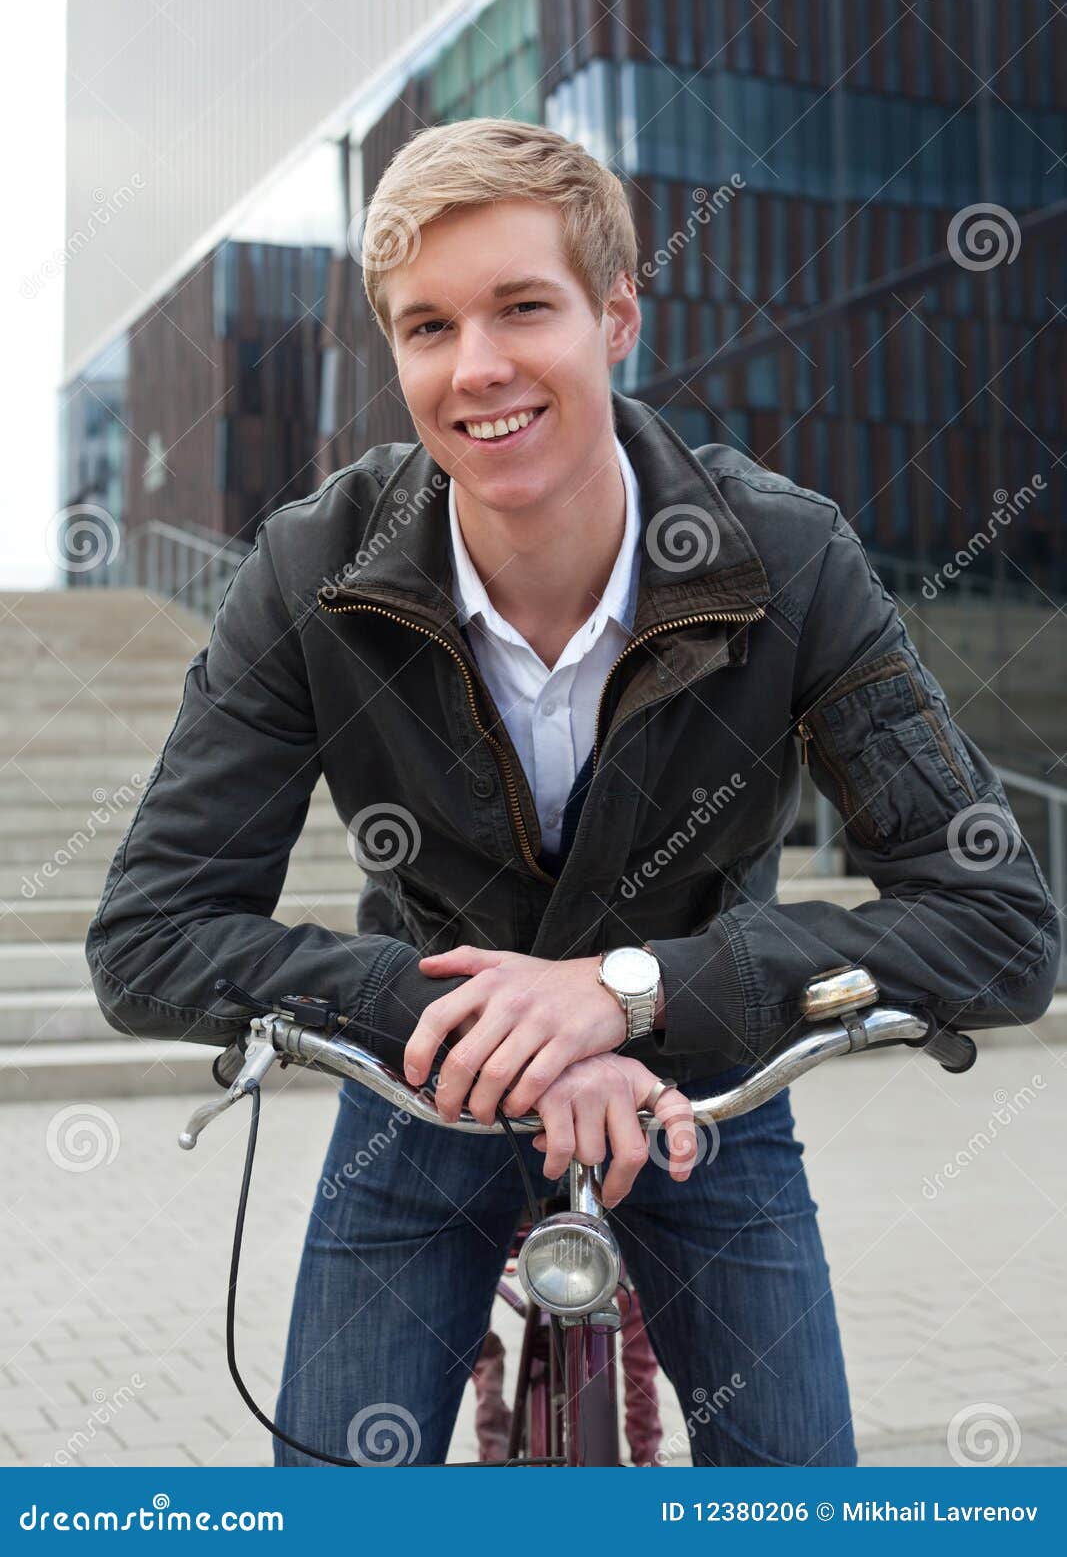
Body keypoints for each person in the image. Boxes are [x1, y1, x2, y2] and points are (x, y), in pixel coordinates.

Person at [86, 119, 1060, 1468]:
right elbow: (146, 939)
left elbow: (1003, 924)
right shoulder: (311, 569)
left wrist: (630, 993)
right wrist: (471, 1017)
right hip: (422, 1072)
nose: (476, 367)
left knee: (801, 1509)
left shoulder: (788, 558)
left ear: (617, 316)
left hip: (699, 1082)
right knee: (335, 1503)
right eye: (428, 327)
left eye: (522, 307)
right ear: (397, 355)